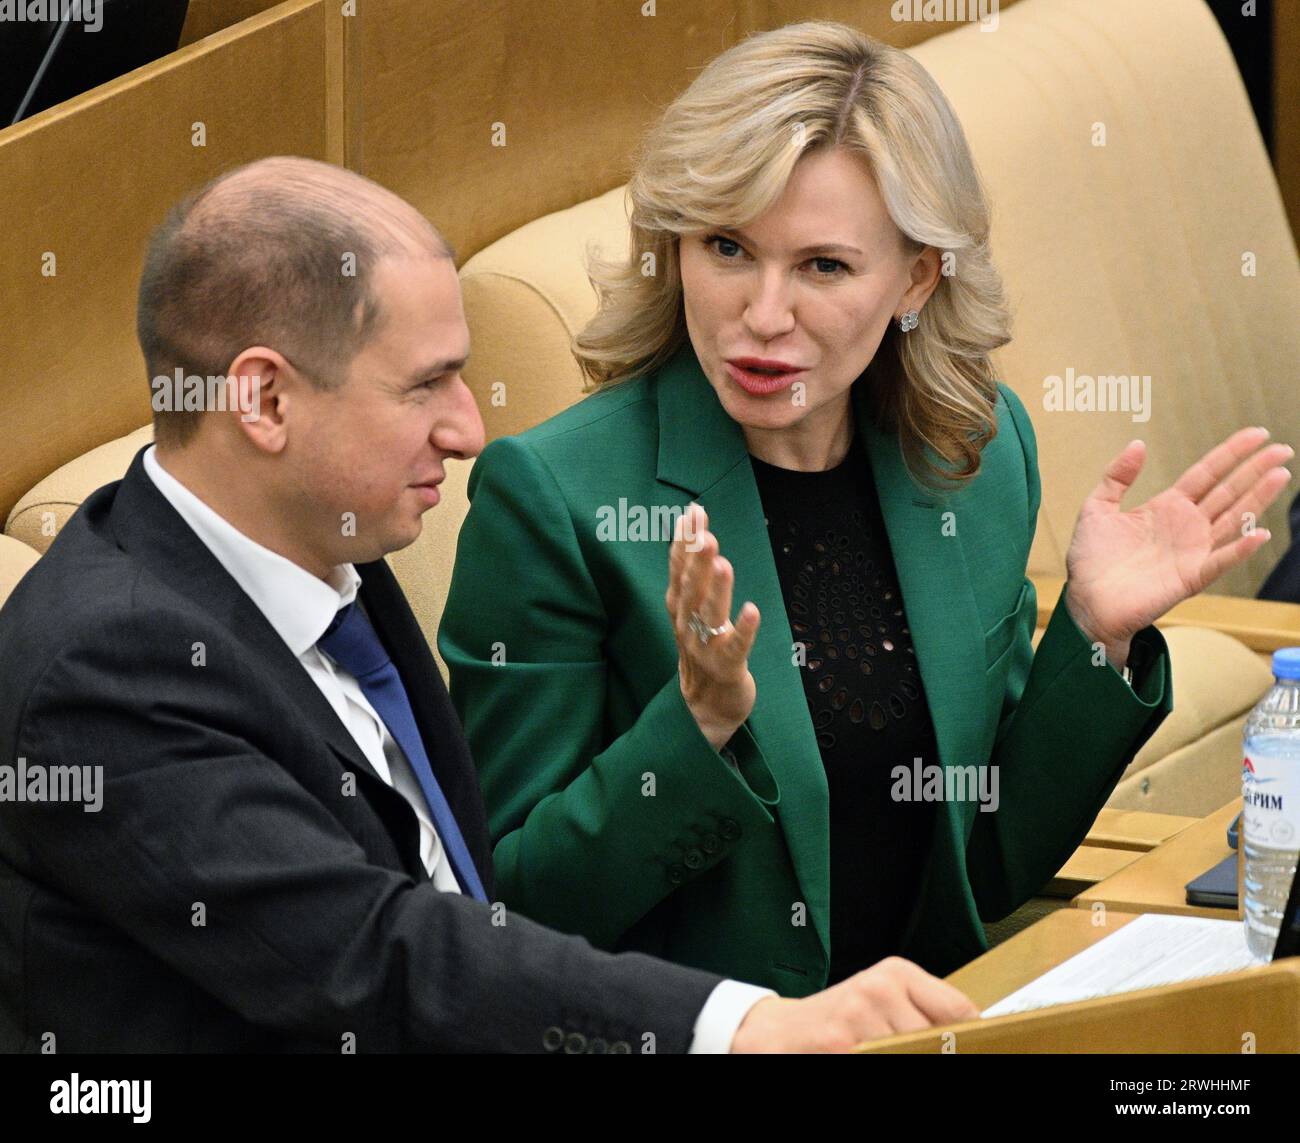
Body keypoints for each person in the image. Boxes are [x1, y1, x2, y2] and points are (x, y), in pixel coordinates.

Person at [0, 156, 983, 1053]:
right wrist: (735, 1028)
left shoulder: (326, 547)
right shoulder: (106, 672)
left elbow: (470, 907)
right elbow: (373, 953)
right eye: (426, 385)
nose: (469, 429)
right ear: (263, 402)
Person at [439, 21, 1294, 994]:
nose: (764, 314)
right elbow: (505, 914)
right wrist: (694, 734)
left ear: (917, 278)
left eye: (822, 266)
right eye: (726, 247)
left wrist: (1095, 637)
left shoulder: (968, 455)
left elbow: (984, 867)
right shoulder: (552, 498)